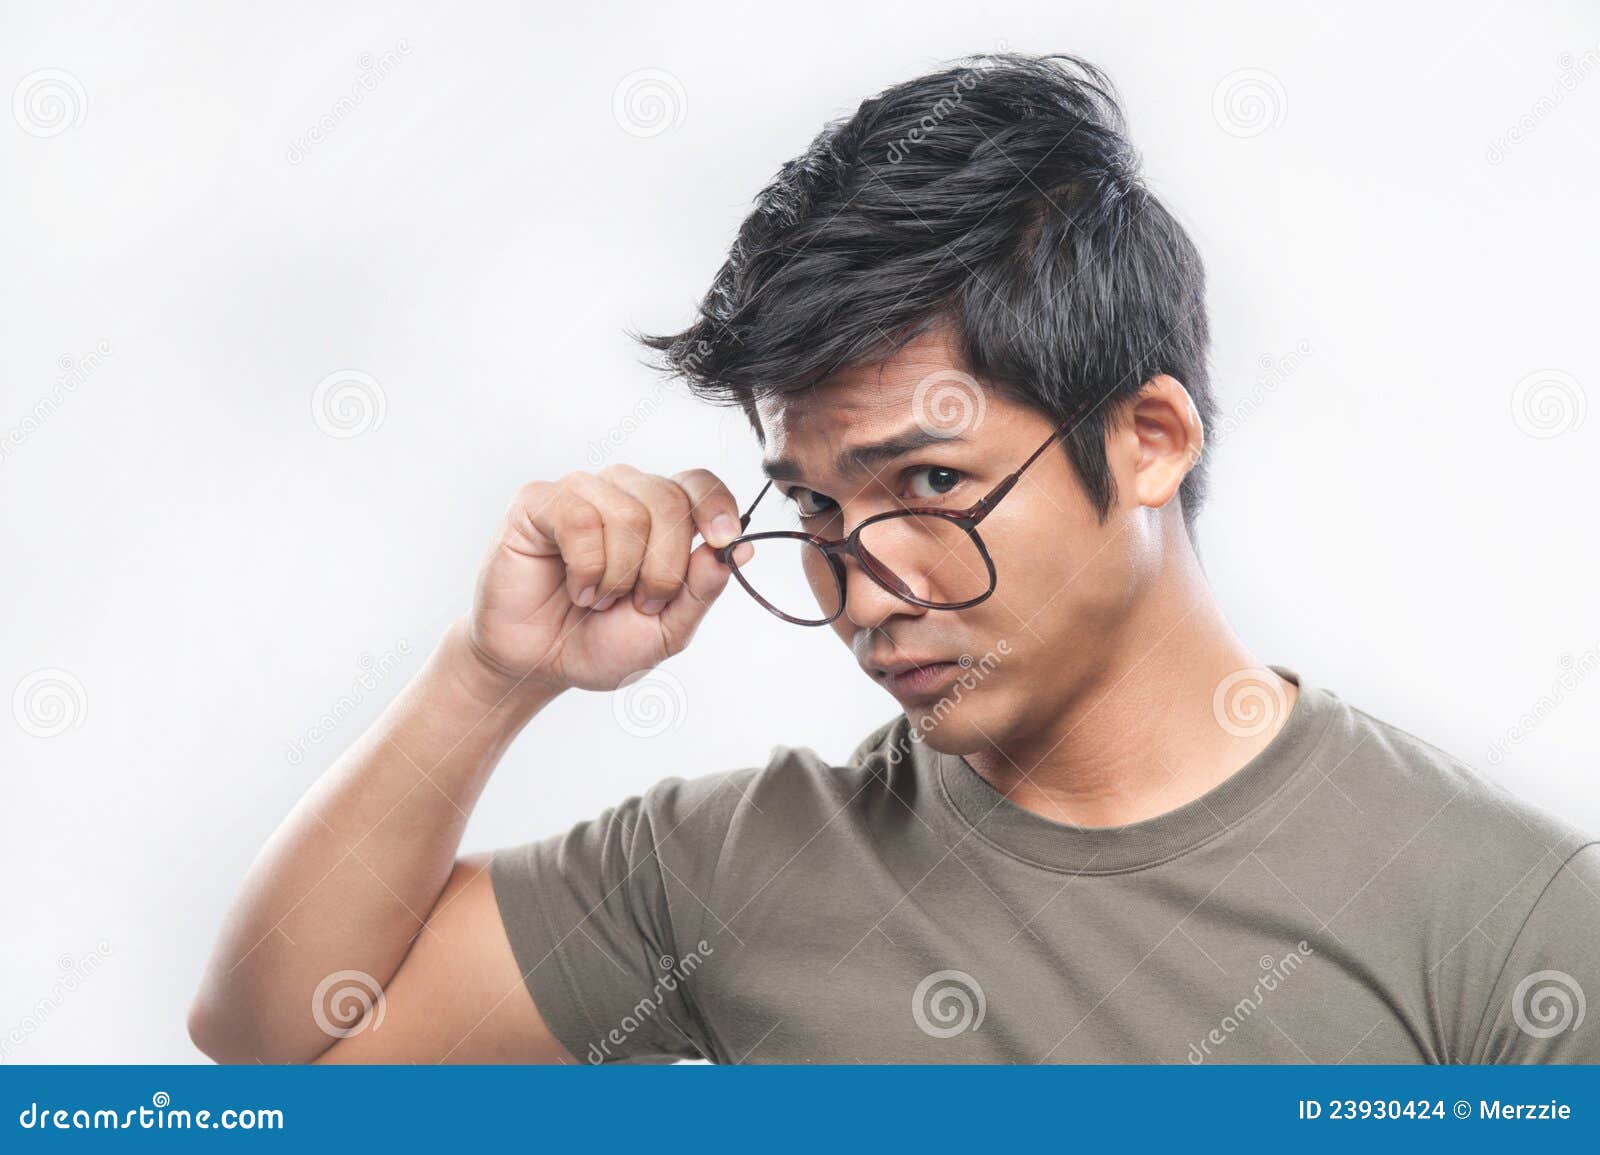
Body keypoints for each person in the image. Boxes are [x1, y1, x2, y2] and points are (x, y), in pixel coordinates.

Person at [189, 52, 1599, 1064]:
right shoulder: (728, 873)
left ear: (1152, 438)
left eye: (932, 483)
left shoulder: (1511, 919)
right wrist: (488, 676)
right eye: (811, 509)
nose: (866, 590)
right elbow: (276, 1052)